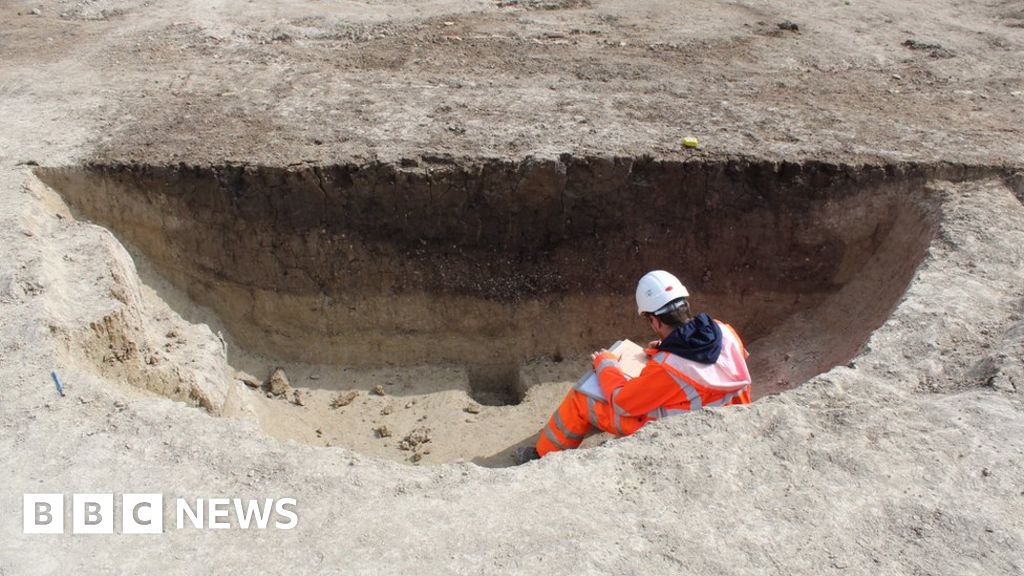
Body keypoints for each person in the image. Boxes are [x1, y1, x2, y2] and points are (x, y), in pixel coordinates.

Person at [513, 270, 752, 464]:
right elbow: (716, 362)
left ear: (656, 320)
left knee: (582, 398)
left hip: (686, 428)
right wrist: (666, 348)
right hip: (733, 414)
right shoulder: (724, 331)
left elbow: (623, 403)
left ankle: (541, 456)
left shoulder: (668, 367)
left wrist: (606, 365)